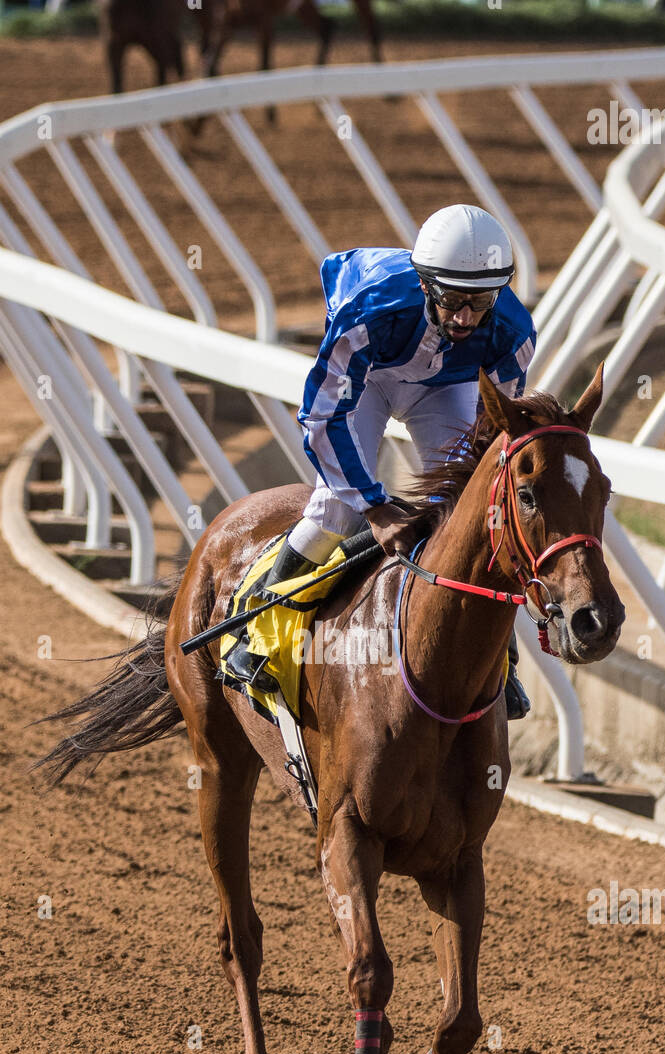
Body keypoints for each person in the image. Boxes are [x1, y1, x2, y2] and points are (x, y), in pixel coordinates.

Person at [226, 203, 537, 717]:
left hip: (445, 385)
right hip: (368, 380)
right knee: (336, 511)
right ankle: (258, 628)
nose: (465, 318)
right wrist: (374, 507)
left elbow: (494, 437)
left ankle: (502, 661)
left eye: (480, 302)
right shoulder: (372, 310)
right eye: (453, 300)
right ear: (425, 285)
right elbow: (323, 417)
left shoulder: (513, 332)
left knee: (471, 515)